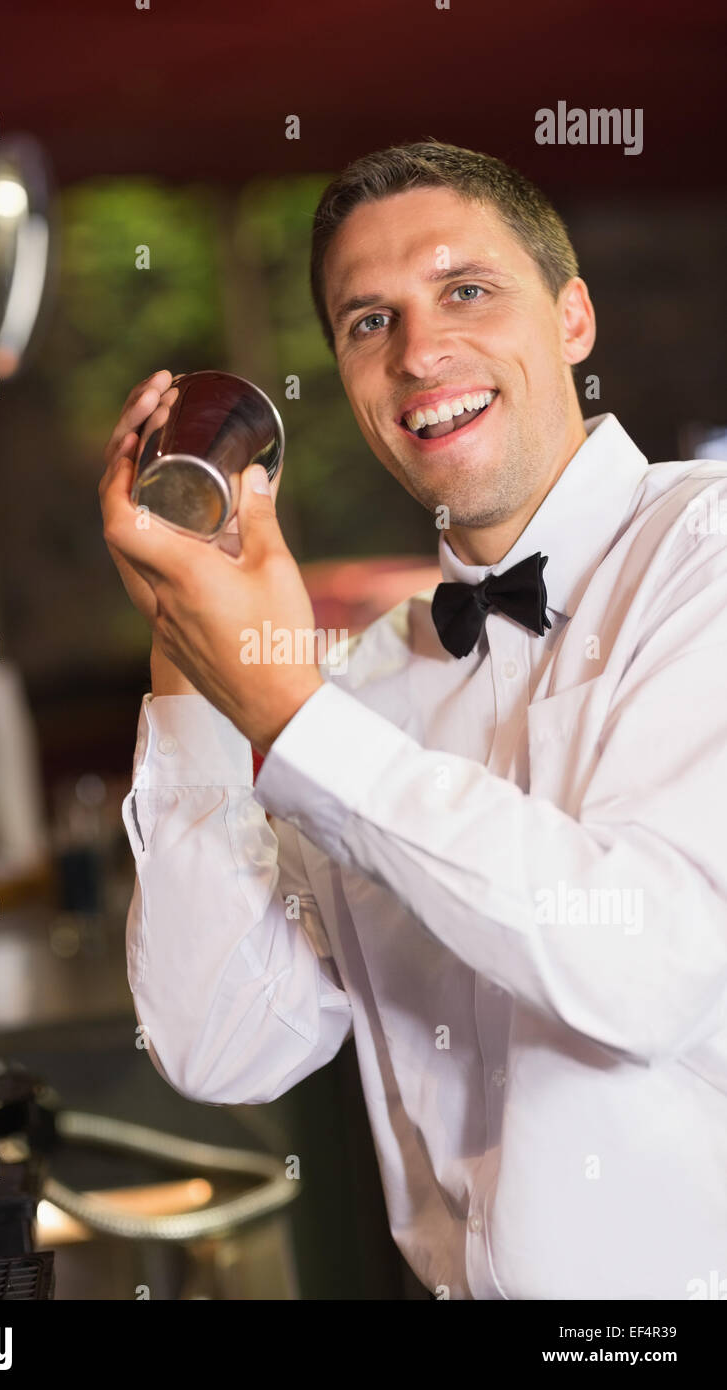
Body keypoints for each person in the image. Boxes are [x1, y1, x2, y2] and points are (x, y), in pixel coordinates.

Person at [99, 139, 727, 1300]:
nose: (419, 353)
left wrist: (291, 716)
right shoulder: (363, 691)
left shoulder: (705, 551)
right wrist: (190, 652)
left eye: (465, 291)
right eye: (365, 322)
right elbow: (222, 1045)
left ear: (572, 317)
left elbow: (645, 966)